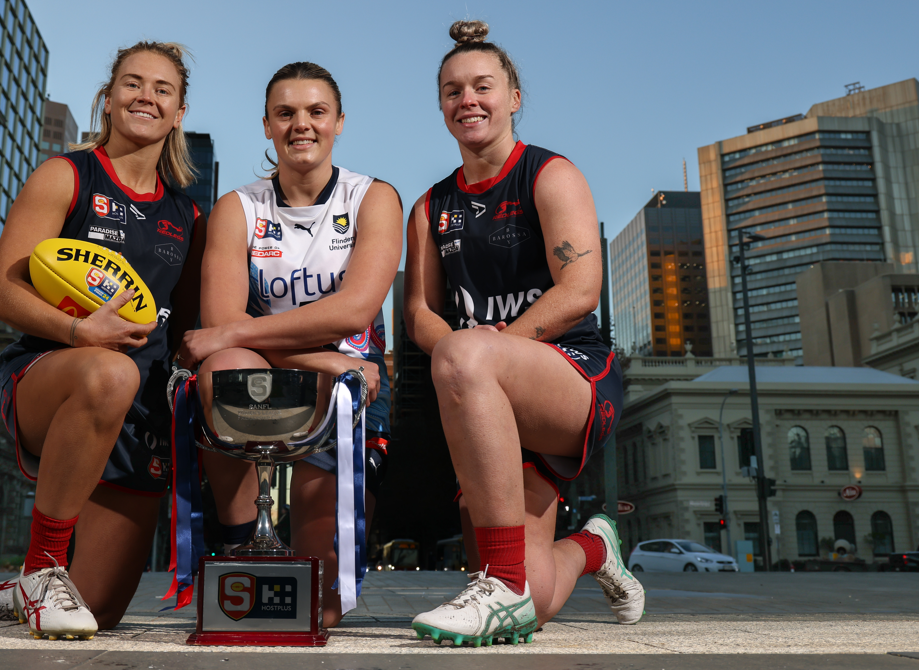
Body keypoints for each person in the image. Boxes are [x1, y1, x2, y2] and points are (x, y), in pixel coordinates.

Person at [404, 21, 643, 647]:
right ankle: (592, 547)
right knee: (535, 604)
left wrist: (492, 345)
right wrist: (466, 354)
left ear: (514, 97)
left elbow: (580, 290)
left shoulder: (549, 174)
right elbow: (421, 315)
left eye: (484, 86)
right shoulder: (430, 207)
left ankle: (500, 586)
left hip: (569, 375)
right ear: (441, 106)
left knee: (466, 350)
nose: (468, 101)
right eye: (453, 91)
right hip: (488, 393)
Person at [0, 40, 204, 640]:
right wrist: (83, 332)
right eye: (132, 83)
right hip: (54, 379)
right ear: (108, 99)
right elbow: (2, 294)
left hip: (139, 413)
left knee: (95, 613)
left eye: (163, 89)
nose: (146, 97)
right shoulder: (65, 176)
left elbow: (185, 332)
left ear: (180, 112)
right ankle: (40, 568)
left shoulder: (187, 217)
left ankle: (2, 596)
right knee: (109, 371)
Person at [177, 62, 402, 627]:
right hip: (278, 369)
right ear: (267, 125)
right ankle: (236, 542)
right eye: (286, 113)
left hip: (347, 390)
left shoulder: (374, 198)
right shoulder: (237, 207)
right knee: (223, 364)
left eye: (316, 112)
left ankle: (296, 543)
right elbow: (221, 327)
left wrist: (237, 333)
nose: (301, 124)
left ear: (339, 123)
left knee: (319, 607)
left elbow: (353, 311)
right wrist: (315, 352)